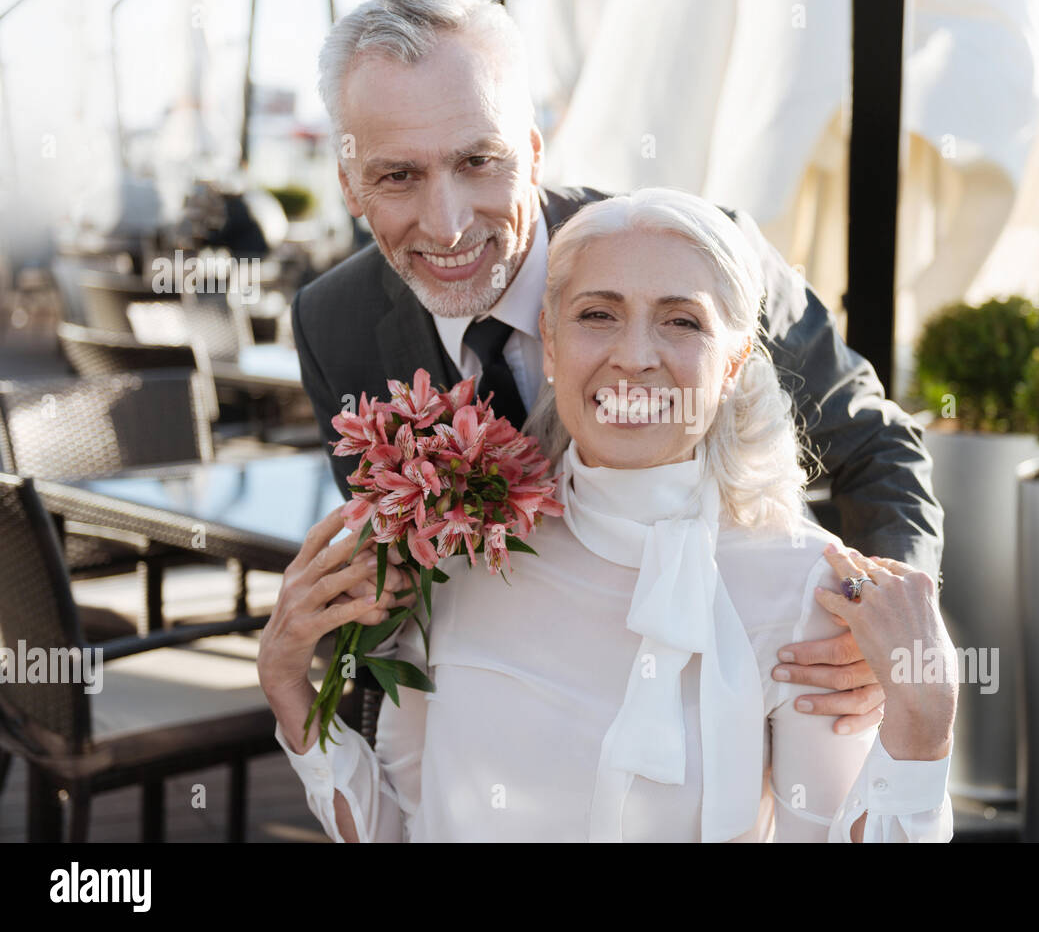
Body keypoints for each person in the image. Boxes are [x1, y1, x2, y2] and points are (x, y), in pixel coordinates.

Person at [290, 0, 942, 739]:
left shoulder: (703, 256)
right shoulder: (330, 321)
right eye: (398, 176)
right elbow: (404, 579)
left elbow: (879, 450)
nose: (448, 222)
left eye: (479, 161)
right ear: (348, 184)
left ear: (533, 150)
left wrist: (882, 631)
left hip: (717, 722)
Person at [259, 187, 957, 841]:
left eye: (681, 320)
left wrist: (923, 731)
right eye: (598, 314)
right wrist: (287, 685)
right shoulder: (463, 547)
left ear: (738, 361)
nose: (634, 356)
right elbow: (401, 826)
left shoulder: (805, 586)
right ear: (551, 343)